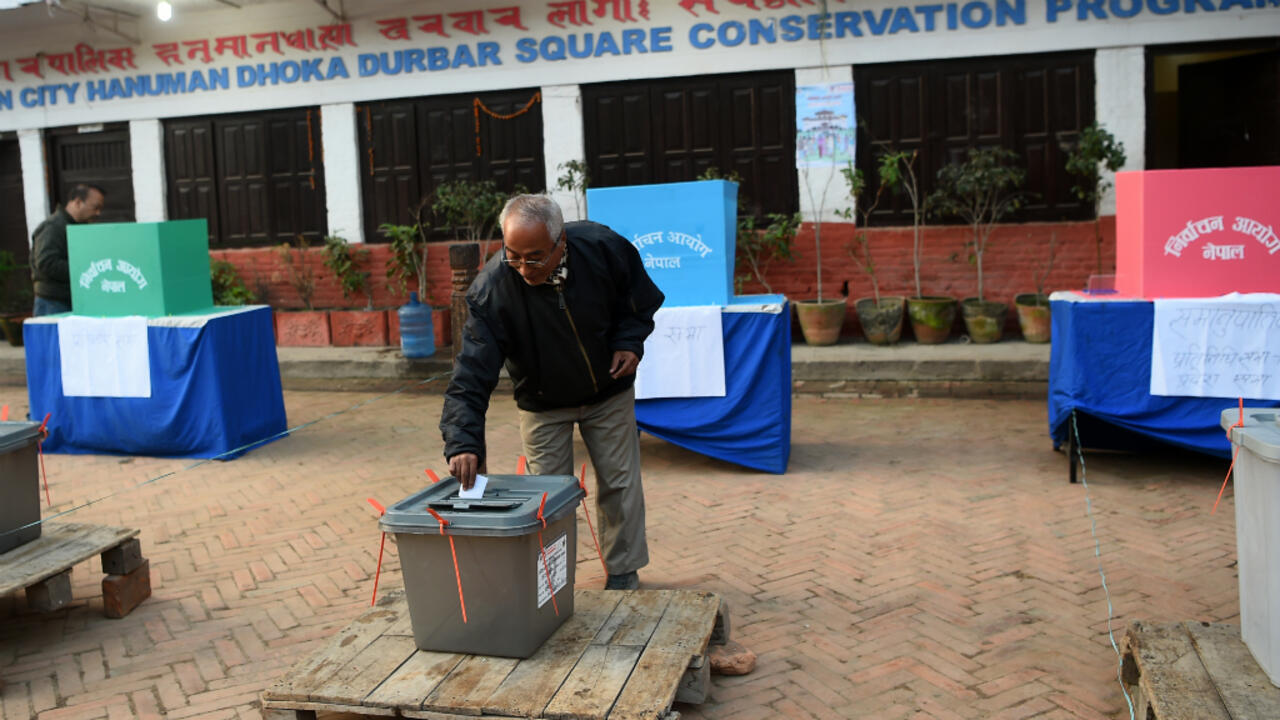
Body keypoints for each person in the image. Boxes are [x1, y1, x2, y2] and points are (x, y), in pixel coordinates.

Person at [440, 194, 665, 591]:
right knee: (548, 500)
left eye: (535, 257)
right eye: (513, 255)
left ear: (562, 243)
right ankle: (553, 582)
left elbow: (637, 302)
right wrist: (463, 442)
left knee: (620, 483)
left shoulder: (603, 248)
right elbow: (471, 375)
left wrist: (629, 343)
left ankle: (623, 573)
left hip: (607, 392)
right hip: (542, 404)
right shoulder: (491, 292)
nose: (524, 269)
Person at [31, 183, 106, 316]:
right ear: (77, 202)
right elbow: (46, 263)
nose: (98, 213)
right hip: (53, 303)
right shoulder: (53, 226)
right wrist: (85, 271)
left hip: (72, 301)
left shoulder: (77, 226)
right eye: (96, 208)